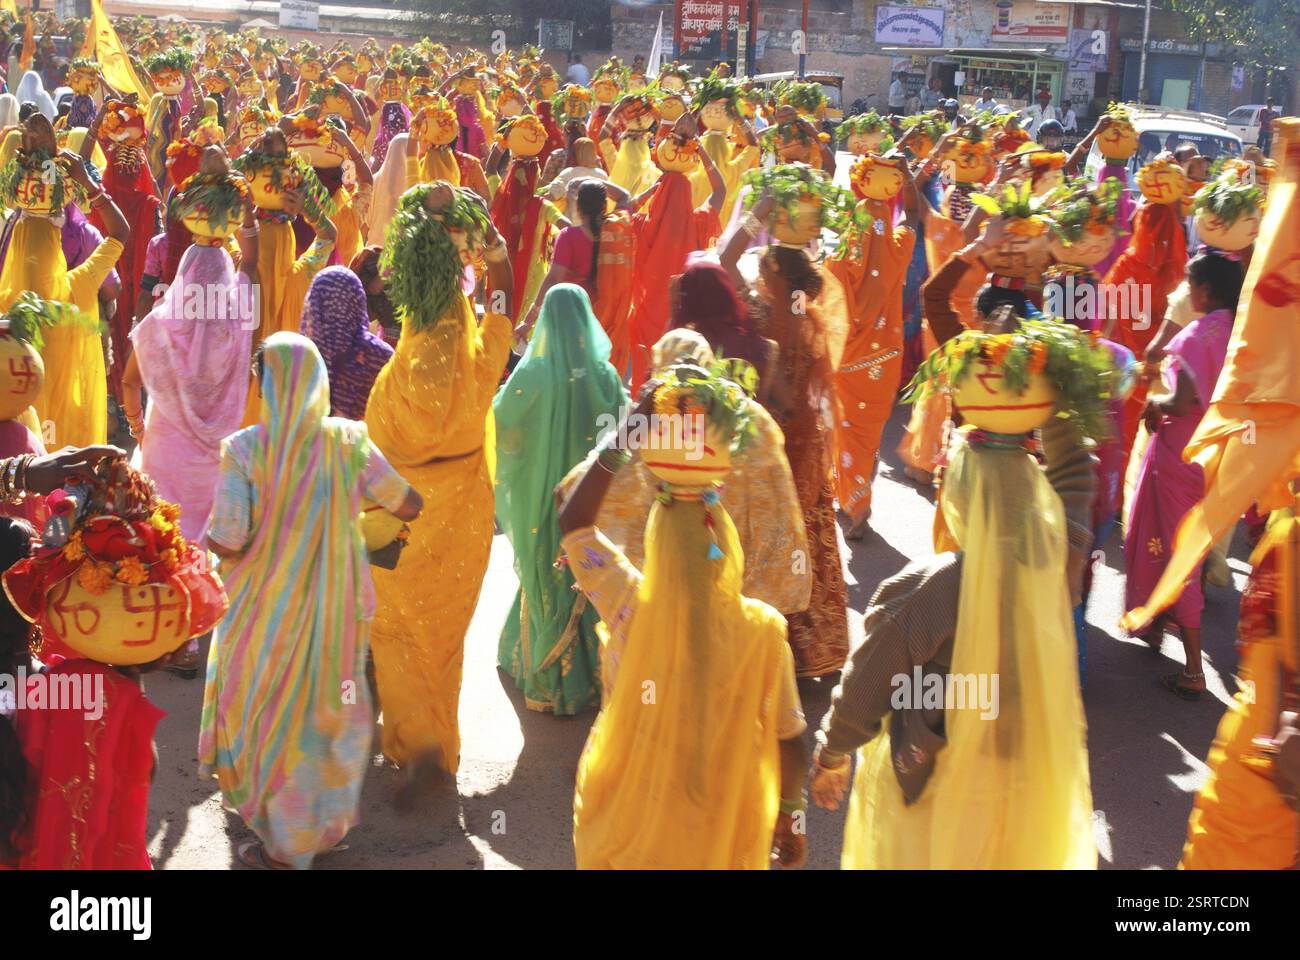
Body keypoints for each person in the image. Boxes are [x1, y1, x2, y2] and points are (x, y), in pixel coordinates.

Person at [560, 373, 809, 869]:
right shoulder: (763, 631)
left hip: (634, 819)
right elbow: (791, 734)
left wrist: (629, 432)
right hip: (719, 822)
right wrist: (791, 813)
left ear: (656, 542)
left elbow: (573, 521)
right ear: (726, 545)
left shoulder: (627, 605)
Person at [200, 332, 423, 870]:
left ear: (268, 384)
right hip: (336, 613)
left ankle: (284, 845)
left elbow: (228, 537)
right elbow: (409, 503)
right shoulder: (349, 441)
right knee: (326, 713)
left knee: (267, 713)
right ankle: (320, 827)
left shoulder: (246, 449)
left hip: (265, 614)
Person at [364, 183, 513, 792]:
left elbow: (370, 447)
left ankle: (413, 740)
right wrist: (497, 258)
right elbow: (501, 311)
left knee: (397, 627)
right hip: (462, 512)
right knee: (443, 631)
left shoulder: (402, 370)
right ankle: (434, 743)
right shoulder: (475, 351)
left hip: (401, 515)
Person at [720, 218, 851, 677]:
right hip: (804, 446)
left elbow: (723, 259)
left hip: (770, 450)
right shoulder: (807, 316)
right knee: (806, 538)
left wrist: (758, 213)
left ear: (776, 275)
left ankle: (770, 646)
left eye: (765, 266)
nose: (758, 272)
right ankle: (813, 651)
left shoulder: (759, 313)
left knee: (768, 540)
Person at [494, 284, 628, 714]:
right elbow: (625, 431)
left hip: (542, 497)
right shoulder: (605, 377)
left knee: (545, 570)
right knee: (584, 568)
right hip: (590, 498)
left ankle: (549, 677)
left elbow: (501, 423)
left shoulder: (532, 375)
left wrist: (530, 454)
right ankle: (592, 671)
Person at [1125, 253, 1244, 698]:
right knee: (1181, 542)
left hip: (1182, 452)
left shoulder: (1199, 334)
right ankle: (1158, 624)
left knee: (1180, 553)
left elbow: (1182, 402)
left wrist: (1157, 405)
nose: (1187, 294)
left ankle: (1193, 670)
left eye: (1190, 286)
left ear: (1206, 292)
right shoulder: (1240, 329)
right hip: (1218, 453)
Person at [300, 266, 394, 420]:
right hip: (364, 443)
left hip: (311, 443)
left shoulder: (301, 356)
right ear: (357, 301)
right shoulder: (380, 356)